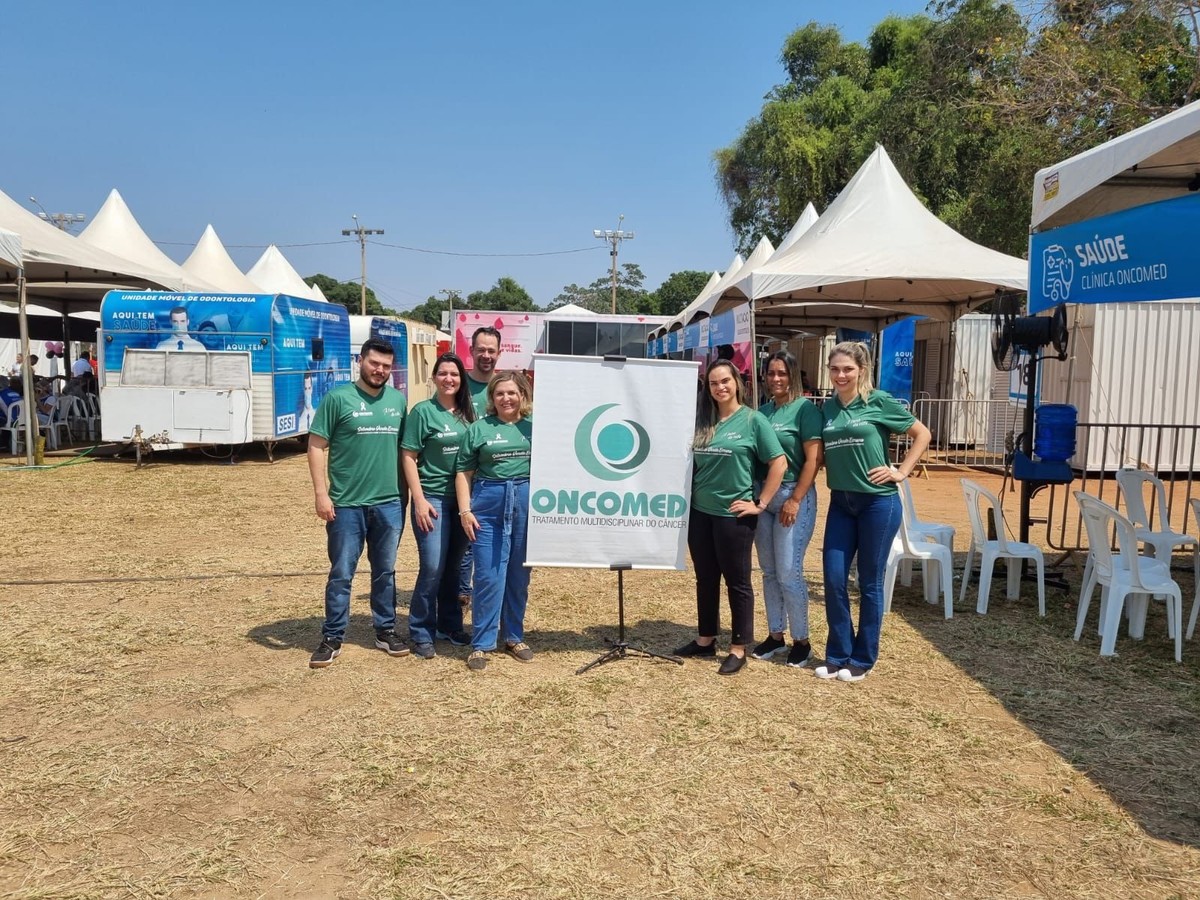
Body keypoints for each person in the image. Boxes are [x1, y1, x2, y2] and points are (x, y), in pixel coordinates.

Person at [815, 341, 931, 683]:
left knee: (869, 582)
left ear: (861, 371)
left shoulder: (878, 401)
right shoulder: (827, 408)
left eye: (847, 369)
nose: (840, 375)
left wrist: (902, 470)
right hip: (841, 502)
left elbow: (922, 433)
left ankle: (863, 658)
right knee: (834, 578)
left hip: (878, 502)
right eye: (834, 369)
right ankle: (837, 654)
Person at [676, 359, 786, 676]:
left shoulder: (753, 421)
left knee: (737, 582)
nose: (720, 387)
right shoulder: (702, 421)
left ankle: (739, 647)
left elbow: (778, 462)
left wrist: (760, 503)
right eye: (713, 383)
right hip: (700, 513)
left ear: (737, 382)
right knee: (706, 579)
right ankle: (706, 638)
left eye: (725, 381)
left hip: (733, 516)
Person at [306, 338, 409, 669]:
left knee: (386, 572)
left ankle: (386, 630)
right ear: (361, 361)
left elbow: (407, 452)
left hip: (389, 502)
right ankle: (333, 635)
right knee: (341, 573)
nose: (379, 370)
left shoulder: (397, 401)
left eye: (386, 366)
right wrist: (322, 493)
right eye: (374, 363)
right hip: (346, 504)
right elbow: (317, 446)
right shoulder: (338, 399)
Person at [455, 370, 533, 672]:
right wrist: (465, 511)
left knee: (519, 574)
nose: (506, 398)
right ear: (492, 398)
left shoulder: (534, 428)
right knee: (488, 575)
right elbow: (463, 472)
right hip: (488, 502)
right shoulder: (479, 429)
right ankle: (482, 642)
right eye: (499, 393)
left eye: (512, 393)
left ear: (522, 396)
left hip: (525, 501)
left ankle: (514, 636)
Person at [750, 351, 824, 668]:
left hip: (793, 496)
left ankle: (802, 641)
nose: (776, 378)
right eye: (771, 373)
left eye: (782, 373)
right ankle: (775, 635)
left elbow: (814, 460)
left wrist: (795, 499)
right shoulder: (762, 411)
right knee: (769, 572)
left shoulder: (805, 410)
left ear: (792, 375)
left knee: (789, 572)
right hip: (763, 497)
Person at [401, 353, 476, 659]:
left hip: (463, 502)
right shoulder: (422, 412)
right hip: (431, 498)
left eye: (455, 374)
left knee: (454, 568)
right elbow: (408, 456)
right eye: (443, 373)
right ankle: (420, 630)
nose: (449, 379)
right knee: (431, 566)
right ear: (434, 377)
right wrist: (418, 500)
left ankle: (449, 624)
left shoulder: (469, 414)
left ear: (462, 379)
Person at [457, 325, 503, 611]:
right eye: (481, 350)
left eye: (491, 350)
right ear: (471, 351)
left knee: (483, 539)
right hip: (461, 474)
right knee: (462, 543)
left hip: (491, 479)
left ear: (500, 352)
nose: (486, 355)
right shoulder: (458, 384)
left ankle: (481, 591)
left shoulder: (503, 387)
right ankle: (461, 593)